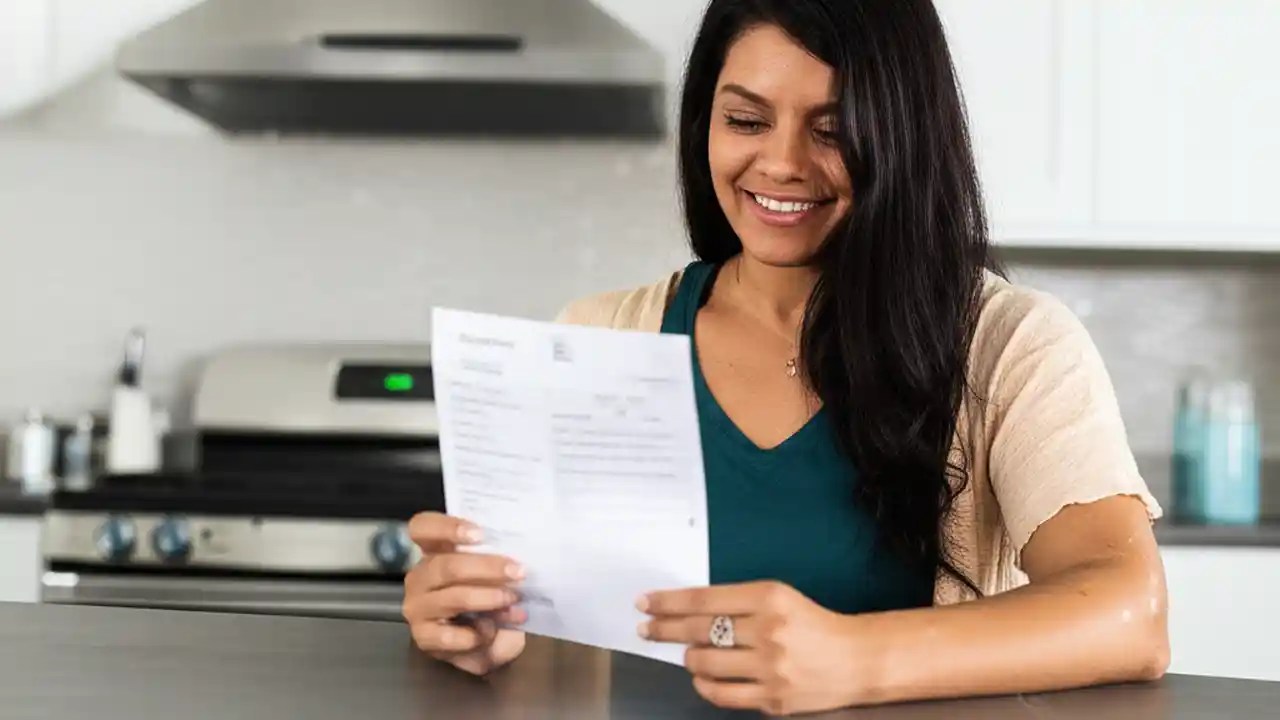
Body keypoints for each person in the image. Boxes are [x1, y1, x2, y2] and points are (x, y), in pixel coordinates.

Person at [402, 0, 1170, 714]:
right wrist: (478, 624)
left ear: (901, 135)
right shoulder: (598, 336)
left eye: (831, 130)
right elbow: (548, 651)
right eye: (745, 119)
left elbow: (1129, 613)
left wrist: (851, 658)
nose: (781, 163)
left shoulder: (1013, 348)